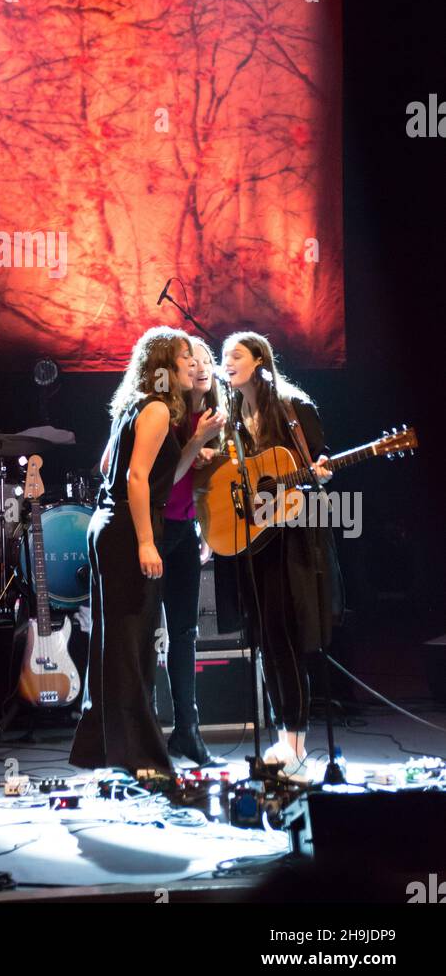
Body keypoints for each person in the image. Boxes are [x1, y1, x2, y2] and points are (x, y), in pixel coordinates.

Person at [69, 327, 195, 776]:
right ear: (166, 365)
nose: (193, 365)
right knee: (131, 646)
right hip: (128, 529)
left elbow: (108, 466)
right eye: (185, 357)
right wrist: (145, 539)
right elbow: (136, 479)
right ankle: (137, 756)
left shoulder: (132, 405)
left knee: (113, 643)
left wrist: (195, 446)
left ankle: (104, 750)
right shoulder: (158, 408)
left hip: (106, 524)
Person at [219, 331, 338, 782]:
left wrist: (318, 473)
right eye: (224, 356)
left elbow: (315, 463)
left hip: (292, 536)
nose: (226, 363)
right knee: (266, 638)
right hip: (253, 539)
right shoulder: (231, 412)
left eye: (235, 356)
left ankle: (296, 741)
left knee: (286, 636)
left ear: (259, 362)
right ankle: (283, 738)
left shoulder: (292, 408)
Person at [161, 338, 227, 765]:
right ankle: (144, 731)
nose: (201, 367)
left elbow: (209, 484)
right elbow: (164, 478)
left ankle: (188, 731)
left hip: (185, 528)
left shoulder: (217, 416)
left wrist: (203, 524)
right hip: (153, 528)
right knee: (146, 635)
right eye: (193, 360)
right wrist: (197, 440)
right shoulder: (164, 414)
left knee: (186, 634)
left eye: (208, 360)